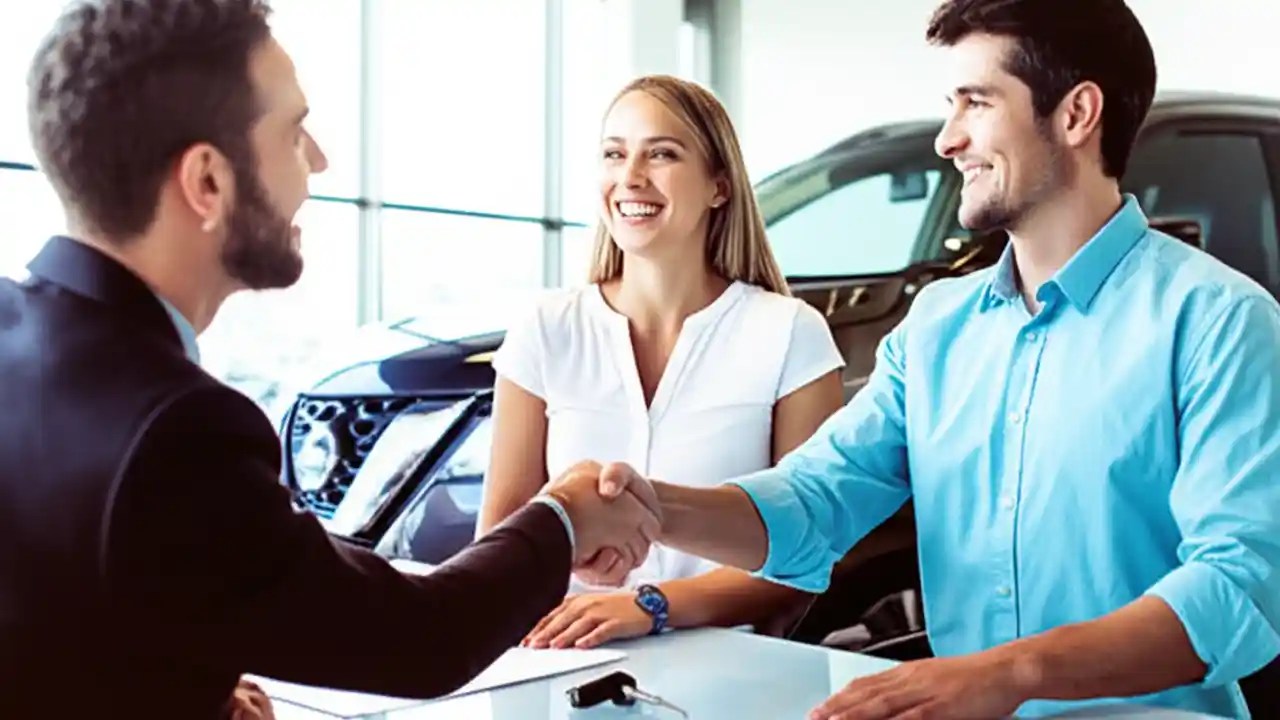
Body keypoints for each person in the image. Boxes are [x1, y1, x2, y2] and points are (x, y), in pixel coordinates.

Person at [579, 1, 1280, 718]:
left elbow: (1238, 587)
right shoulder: (938, 329)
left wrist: (1009, 674)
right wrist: (650, 507)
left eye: (976, 102)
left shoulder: (1220, 322)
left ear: (1076, 115)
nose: (948, 139)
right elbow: (814, 504)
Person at [0, 1, 659, 717]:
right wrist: (563, 516)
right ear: (208, 183)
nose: (318, 159)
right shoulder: (177, 431)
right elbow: (423, 638)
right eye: (292, 132)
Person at [476, 74, 845, 650]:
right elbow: (501, 539)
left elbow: (805, 552)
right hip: (555, 659)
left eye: (662, 154)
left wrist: (648, 607)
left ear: (718, 186)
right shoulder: (544, 329)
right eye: (614, 154)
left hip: (724, 666)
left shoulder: (790, 333)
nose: (630, 176)